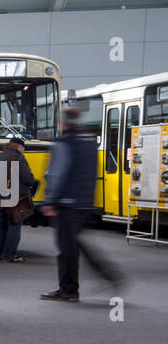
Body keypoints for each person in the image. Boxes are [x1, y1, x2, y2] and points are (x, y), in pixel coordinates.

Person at [40, 106, 124, 302]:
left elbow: (58, 173)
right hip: (84, 201)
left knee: (66, 248)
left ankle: (69, 290)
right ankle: (106, 275)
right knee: (76, 244)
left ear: (63, 122)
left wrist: (50, 200)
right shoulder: (89, 140)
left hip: (66, 202)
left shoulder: (65, 142)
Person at [0, 133, 38, 262]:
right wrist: (31, 183)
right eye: (24, 148)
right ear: (19, 147)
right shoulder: (18, 158)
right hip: (14, 198)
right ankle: (9, 255)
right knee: (14, 225)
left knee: (1, 227)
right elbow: (28, 179)